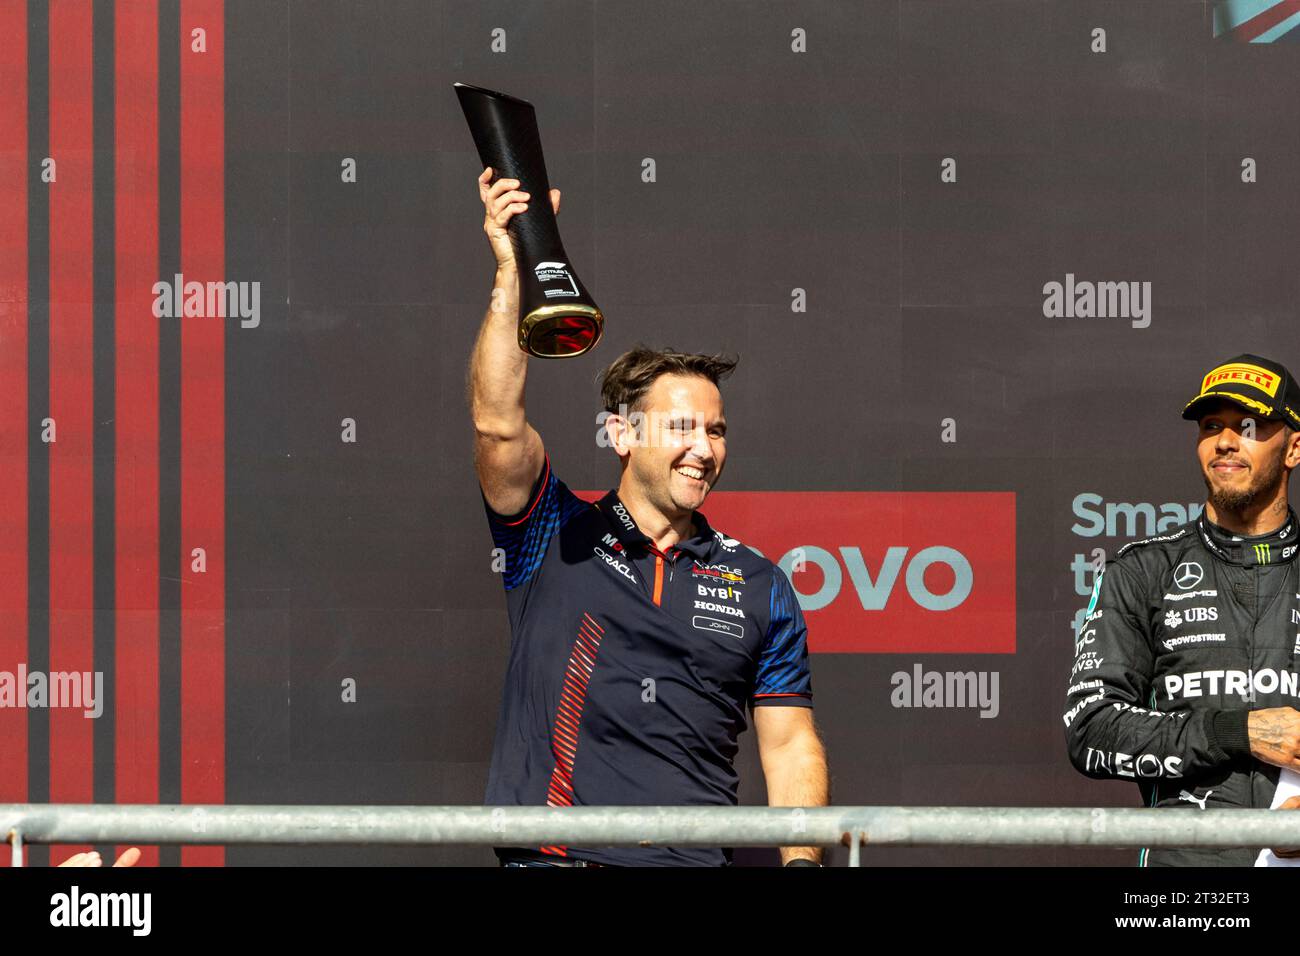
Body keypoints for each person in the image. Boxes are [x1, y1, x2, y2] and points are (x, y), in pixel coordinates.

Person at [468, 167, 828, 866]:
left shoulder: (759, 583)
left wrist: (803, 864)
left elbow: (789, 745)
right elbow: (496, 427)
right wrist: (514, 274)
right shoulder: (553, 530)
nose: (703, 449)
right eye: (683, 428)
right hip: (560, 861)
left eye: (717, 431)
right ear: (623, 435)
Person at [1064, 355, 1300, 866]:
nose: (1226, 441)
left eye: (1250, 426)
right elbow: (1090, 730)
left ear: (1294, 448)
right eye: (1211, 426)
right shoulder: (1142, 571)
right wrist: (1237, 731)